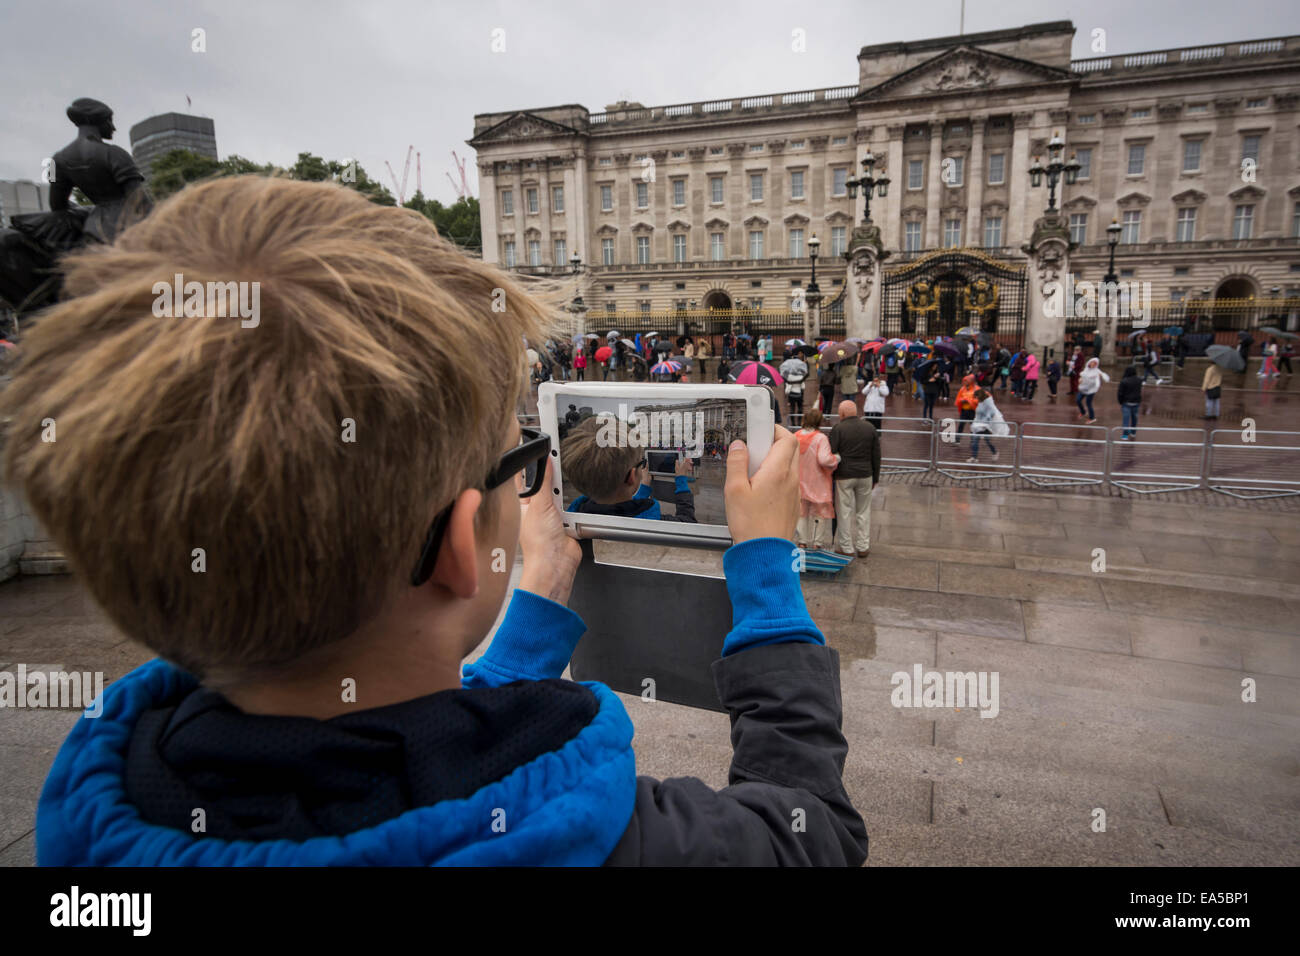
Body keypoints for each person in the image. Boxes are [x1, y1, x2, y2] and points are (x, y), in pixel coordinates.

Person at [1, 176, 869, 867]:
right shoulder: (590, 839)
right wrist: (766, 573)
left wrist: (533, 601)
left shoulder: (97, 807)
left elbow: (398, 743)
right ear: (461, 545)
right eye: (515, 460)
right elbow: (809, 832)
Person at [562, 417, 697, 523]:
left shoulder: (575, 515)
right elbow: (688, 521)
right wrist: (681, 481)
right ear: (632, 476)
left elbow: (621, 510)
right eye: (641, 462)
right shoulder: (654, 522)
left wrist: (642, 488)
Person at [828, 400, 881, 558]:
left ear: (842, 414)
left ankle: (846, 547)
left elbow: (831, 452)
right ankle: (863, 546)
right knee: (863, 512)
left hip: (844, 475)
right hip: (865, 474)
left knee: (844, 512)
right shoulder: (869, 427)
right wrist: (875, 477)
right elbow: (876, 455)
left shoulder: (838, 429)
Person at [795, 407, 839, 552]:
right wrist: (836, 458)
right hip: (817, 481)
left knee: (801, 512)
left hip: (799, 481)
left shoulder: (795, 436)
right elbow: (824, 459)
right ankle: (816, 542)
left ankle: (802, 541)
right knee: (819, 513)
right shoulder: (820, 438)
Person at [967, 388, 1007, 463]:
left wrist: (985, 423)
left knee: (987, 441)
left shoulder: (988, 404)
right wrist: (975, 423)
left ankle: (994, 452)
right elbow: (978, 414)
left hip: (986, 427)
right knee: (975, 440)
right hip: (978, 426)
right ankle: (974, 457)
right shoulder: (980, 403)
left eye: (976, 397)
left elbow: (991, 413)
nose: (975, 398)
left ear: (980, 396)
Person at [1076, 357, 1109, 424]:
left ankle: (1092, 418)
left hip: (1091, 390)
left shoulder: (1097, 371)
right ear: (1089, 362)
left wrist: (1100, 379)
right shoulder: (1086, 369)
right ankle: (1083, 412)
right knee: (1078, 400)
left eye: (1095, 363)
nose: (1093, 364)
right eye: (1092, 363)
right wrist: (1080, 379)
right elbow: (1082, 376)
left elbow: (1105, 378)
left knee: (1088, 403)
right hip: (1084, 388)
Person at [1117, 365, 1143, 440]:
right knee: (1135, 418)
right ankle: (1133, 432)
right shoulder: (1139, 380)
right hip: (1136, 402)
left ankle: (1125, 435)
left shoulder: (1124, 381)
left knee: (1126, 419)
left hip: (1126, 403)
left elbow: (1120, 393)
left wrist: (1121, 402)